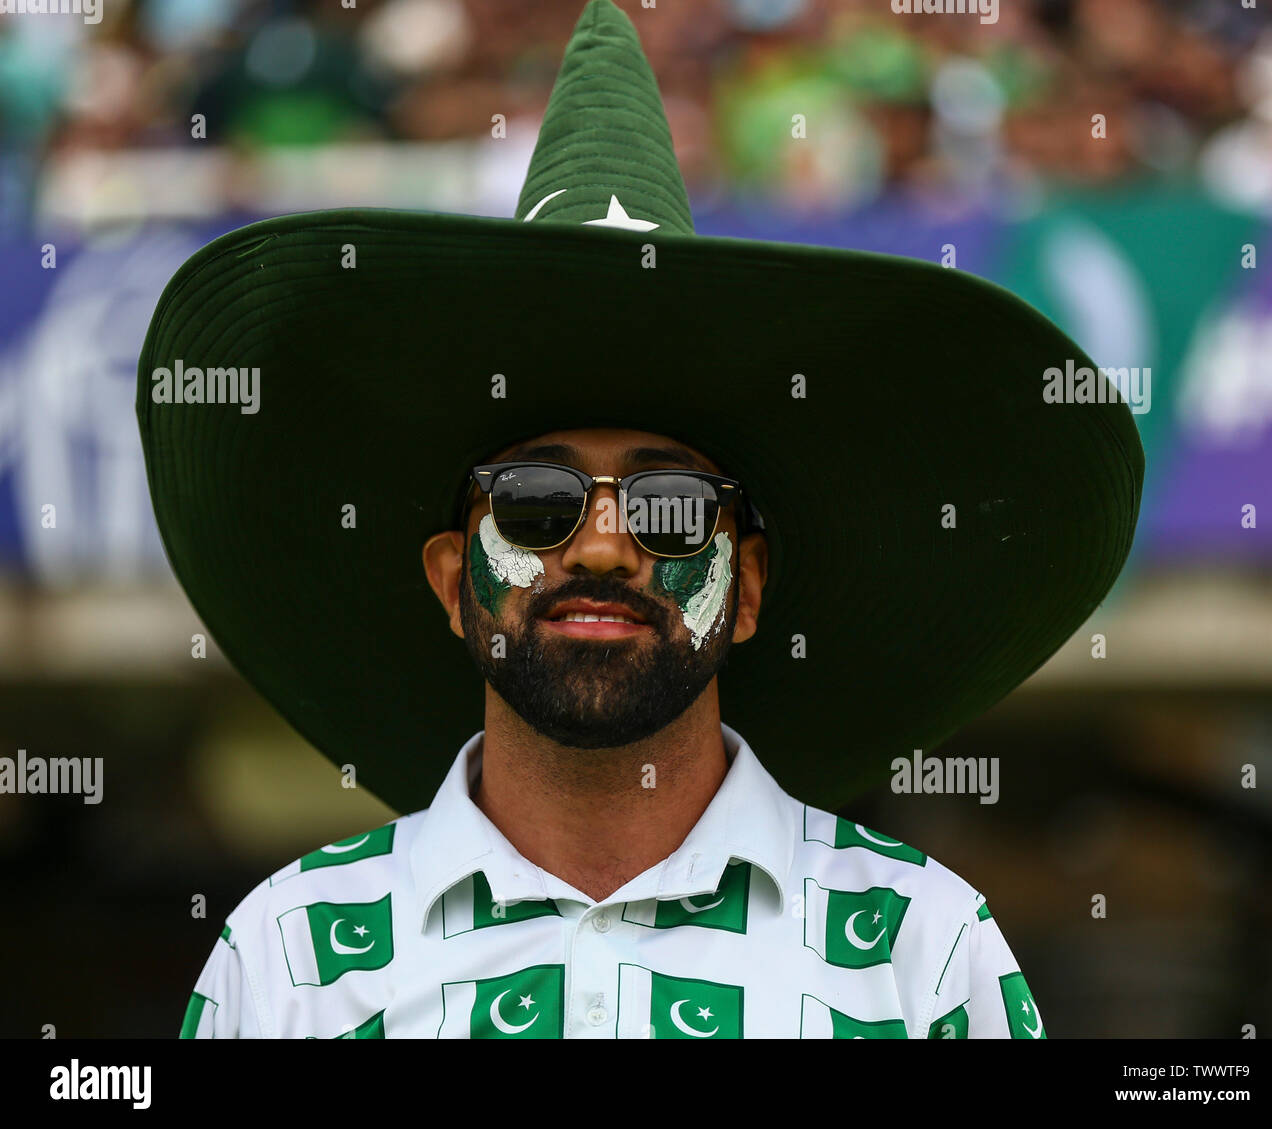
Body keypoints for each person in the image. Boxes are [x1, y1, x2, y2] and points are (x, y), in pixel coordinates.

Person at [145, 1, 1142, 1039]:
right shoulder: (288, 956)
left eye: (669, 507)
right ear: (451, 582)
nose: (605, 547)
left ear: (747, 588)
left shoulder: (921, 950)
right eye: (536, 504)